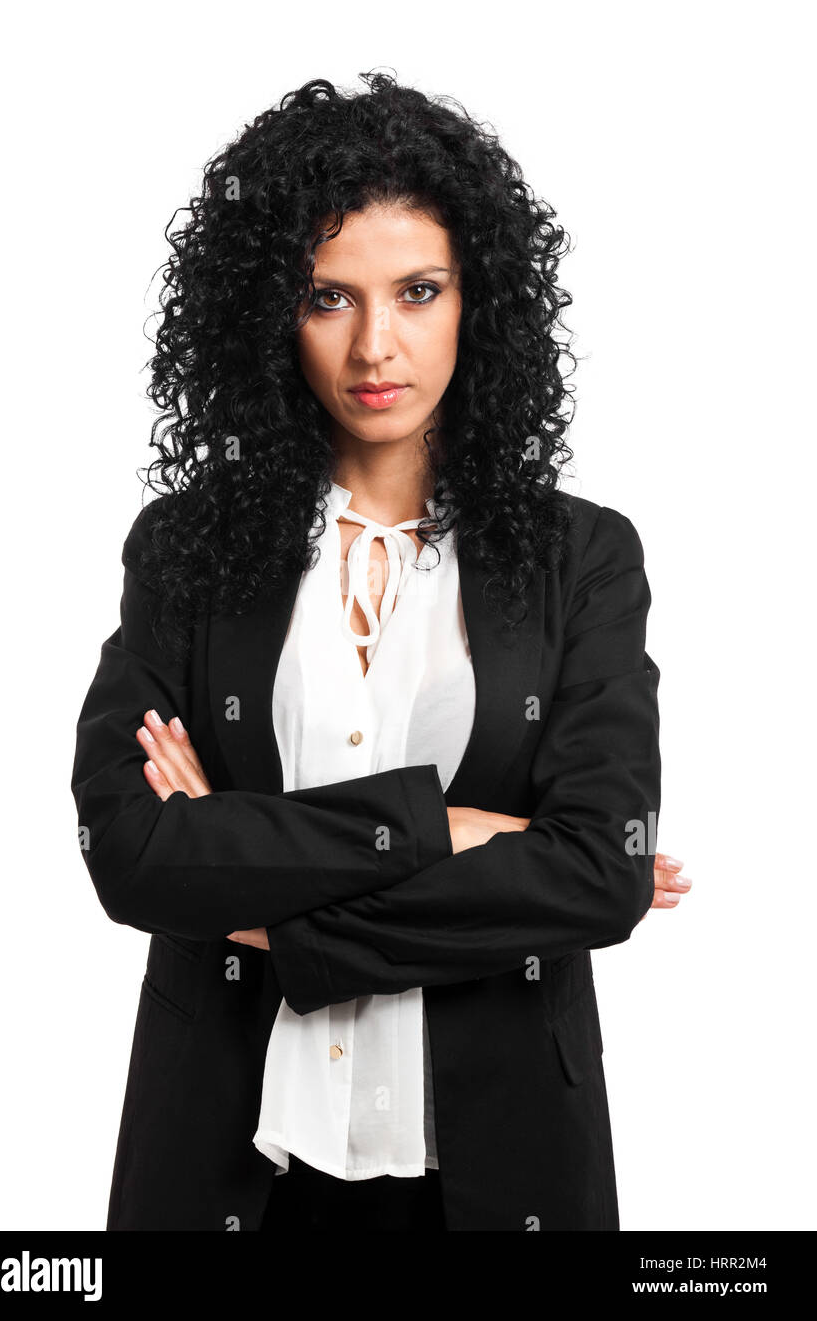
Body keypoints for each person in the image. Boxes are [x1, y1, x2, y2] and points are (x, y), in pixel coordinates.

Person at [71, 71, 688, 1232]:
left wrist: (258, 907)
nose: (374, 344)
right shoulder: (188, 548)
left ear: (476, 301)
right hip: (225, 1161)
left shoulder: (581, 556)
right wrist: (442, 827)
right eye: (326, 295)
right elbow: (133, 848)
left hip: (498, 1170)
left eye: (416, 291)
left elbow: (595, 875)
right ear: (269, 312)